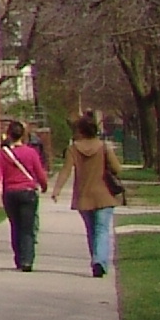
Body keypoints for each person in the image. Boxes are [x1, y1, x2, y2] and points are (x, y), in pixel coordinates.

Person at [57, 110, 129, 280]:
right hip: (104, 195)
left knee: (91, 231)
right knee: (102, 230)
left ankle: (96, 260)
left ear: (80, 131)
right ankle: (100, 261)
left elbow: (65, 171)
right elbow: (118, 169)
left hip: (84, 196)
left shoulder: (73, 149)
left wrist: (56, 190)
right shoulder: (104, 147)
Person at [0, 118, 50, 272]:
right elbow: (39, 172)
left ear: (8, 134)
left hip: (10, 193)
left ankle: (19, 257)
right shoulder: (31, 153)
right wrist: (44, 186)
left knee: (15, 227)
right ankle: (27, 260)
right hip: (28, 193)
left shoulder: (2, 154)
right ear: (23, 135)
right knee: (27, 228)